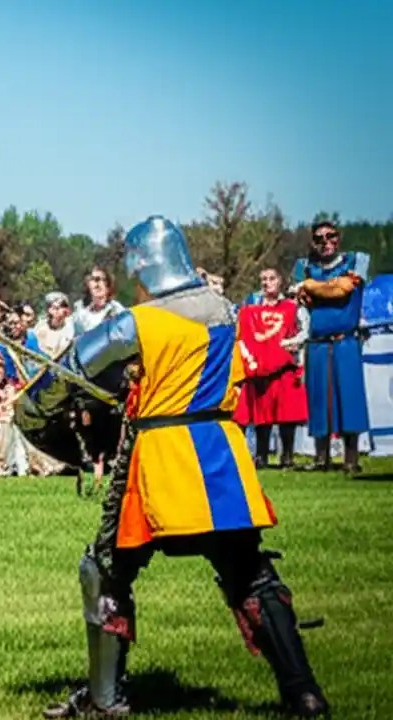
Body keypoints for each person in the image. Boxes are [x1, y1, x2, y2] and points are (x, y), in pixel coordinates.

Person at [20, 216, 327, 719]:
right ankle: (304, 694)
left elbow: (70, 368)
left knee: (104, 571)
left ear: (141, 265)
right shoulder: (225, 311)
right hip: (221, 454)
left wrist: (30, 412)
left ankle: (105, 700)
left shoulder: (137, 322)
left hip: (161, 457)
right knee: (251, 574)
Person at [292, 220, 370, 473]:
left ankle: (351, 459)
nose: (325, 242)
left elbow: (342, 291)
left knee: (349, 397)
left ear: (339, 237)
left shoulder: (356, 261)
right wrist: (320, 287)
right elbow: (302, 298)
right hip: (317, 342)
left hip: (345, 339)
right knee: (319, 399)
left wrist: (313, 286)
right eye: (319, 238)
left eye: (330, 236)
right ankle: (321, 458)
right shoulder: (303, 267)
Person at [235, 268, 309, 468]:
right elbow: (243, 334)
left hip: (284, 367)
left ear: (280, 281)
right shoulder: (251, 309)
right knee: (262, 415)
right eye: (263, 279)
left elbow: (305, 331)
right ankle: (261, 455)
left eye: (271, 279)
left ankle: (287, 456)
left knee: (287, 415)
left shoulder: (292, 307)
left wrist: (292, 344)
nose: (267, 283)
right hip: (260, 370)